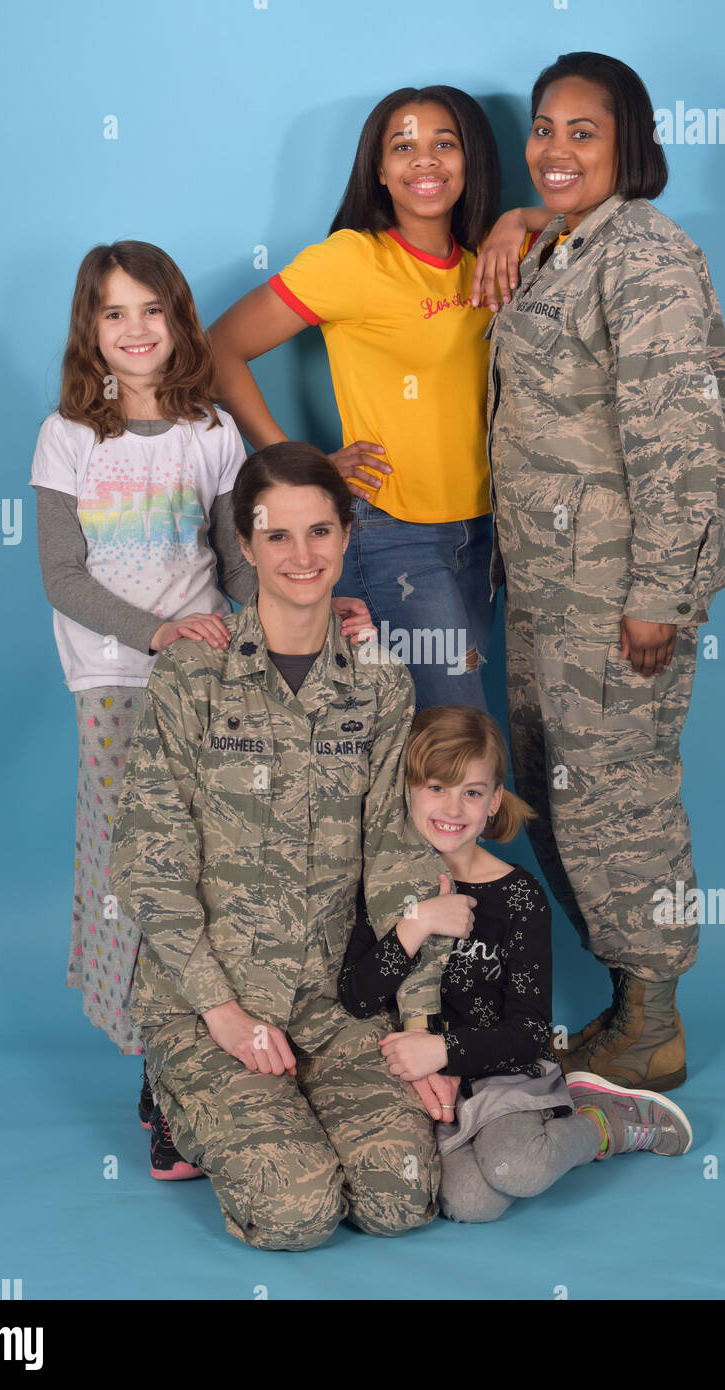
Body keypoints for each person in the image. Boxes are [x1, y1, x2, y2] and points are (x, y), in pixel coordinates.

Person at [29, 241, 372, 1175]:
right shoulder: (67, 434)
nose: (136, 330)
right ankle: (156, 1073)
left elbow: (234, 565)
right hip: (113, 678)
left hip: (207, 675)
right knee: (139, 870)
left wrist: (311, 606)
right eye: (114, 313)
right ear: (89, 332)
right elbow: (63, 575)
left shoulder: (213, 429)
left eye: (153, 310)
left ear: (180, 321)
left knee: (213, 864)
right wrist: (155, 633)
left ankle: (190, 1074)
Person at [110, 441, 477, 1249]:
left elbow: (400, 862)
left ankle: (300, 1107)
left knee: (401, 1199)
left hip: (336, 999)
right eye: (277, 535)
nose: (301, 555)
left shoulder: (381, 687)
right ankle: (179, 1094)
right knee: (298, 1212)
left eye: (320, 532)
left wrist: (419, 1026)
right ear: (244, 544)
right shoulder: (192, 677)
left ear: (348, 536)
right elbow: (149, 857)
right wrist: (221, 1012)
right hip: (210, 1001)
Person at [482, 53, 725, 1091]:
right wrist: (517, 222)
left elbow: (680, 440)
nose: (553, 148)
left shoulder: (648, 257)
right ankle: (628, 1006)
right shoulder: (566, 246)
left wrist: (657, 597)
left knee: (619, 806)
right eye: (542, 128)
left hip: (616, 599)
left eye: (582, 131)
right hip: (546, 593)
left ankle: (652, 1022)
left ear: (630, 142)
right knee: (555, 793)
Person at [209, 87, 548, 712]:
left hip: (486, 535)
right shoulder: (353, 260)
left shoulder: (494, 257)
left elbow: (597, 221)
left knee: (438, 743)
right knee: (454, 731)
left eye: (443, 144)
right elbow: (218, 350)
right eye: (404, 147)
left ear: (469, 159)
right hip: (393, 533)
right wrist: (296, 464)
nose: (425, 161)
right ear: (380, 170)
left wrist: (519, 219)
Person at [338, 705, 693, 1224]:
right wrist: (416, 925)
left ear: (493, 801)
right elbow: (356, 995)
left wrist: (443, 1048)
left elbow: (529, 1032)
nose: (453, 807)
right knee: (467, 1204)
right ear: (408, 790)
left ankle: (604, 1122)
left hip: (501, 1073)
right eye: (437, 787)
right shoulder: (385, 886)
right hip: (429, 1092)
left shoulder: (520, 896)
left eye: (472, 792)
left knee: (516, 1168)